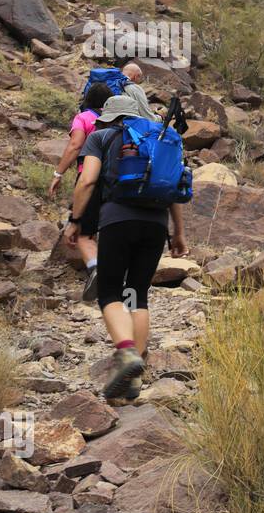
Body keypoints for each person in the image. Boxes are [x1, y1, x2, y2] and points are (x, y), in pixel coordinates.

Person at [64, 94, 187, 400]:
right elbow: (174, 188)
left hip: (118, 220)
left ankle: (127, 353)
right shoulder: (159, 139)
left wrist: (76, 219)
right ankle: (134, 378)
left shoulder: (101, 137)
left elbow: (87, 182)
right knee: (137, 293)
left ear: (110, 117)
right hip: (156, 225)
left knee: (109, 292)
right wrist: (179, 234)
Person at [49, 82, 113, 300]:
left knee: (84, 231)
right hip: (117, 180)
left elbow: (75, 145)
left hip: (89, 177)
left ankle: (96, 269)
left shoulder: (84, 118)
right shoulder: (118, 120)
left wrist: (58, 174)